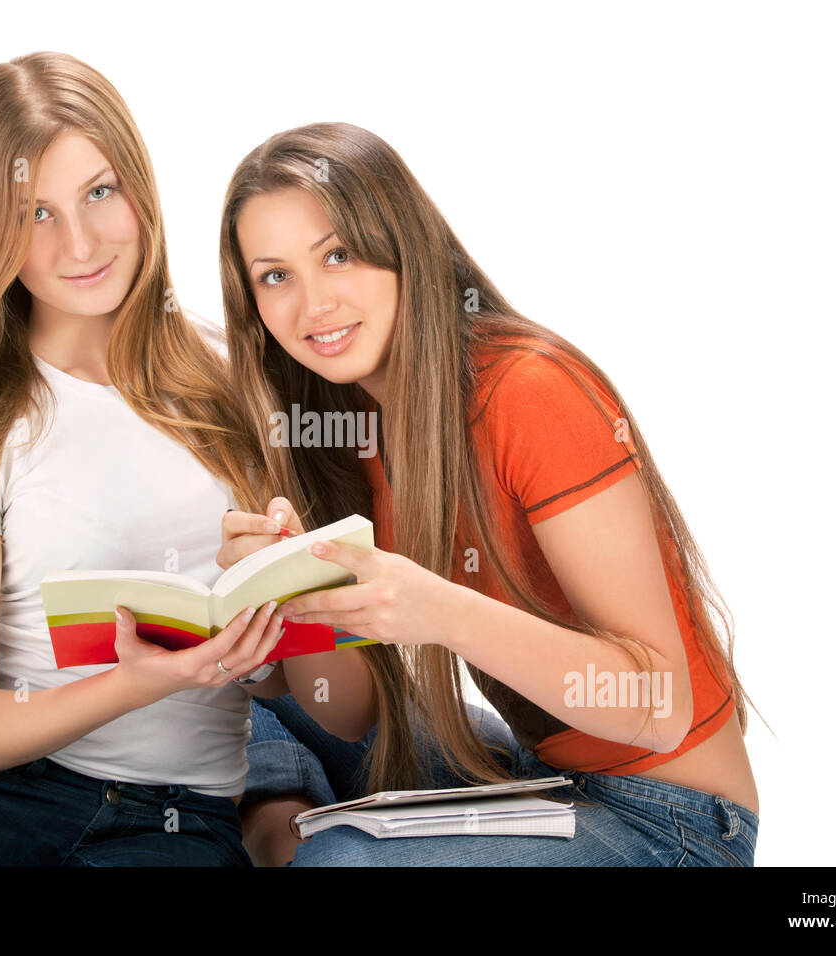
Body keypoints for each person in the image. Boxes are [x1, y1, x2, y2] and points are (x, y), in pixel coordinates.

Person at [217, 122, 761, 866]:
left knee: (342, 861)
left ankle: (295, 843)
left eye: (337, 255)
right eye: (274, 276)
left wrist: (438, 610)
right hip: (542, 785)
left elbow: (658, 711)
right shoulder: (342, 432)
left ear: (400, 243)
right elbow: (350, 715)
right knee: (235, 697)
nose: (313, 306)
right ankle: (282, 822)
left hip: (671, 820)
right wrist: (280, 608)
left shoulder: (528, 390)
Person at [0, 52, 304, 866]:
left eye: (98, 192)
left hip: (174, 816)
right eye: (33, 213)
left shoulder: (235, 389)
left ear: (139, 187)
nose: (78, 243)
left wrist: (266, 618)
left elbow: (280, 689)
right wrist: (138, 682)